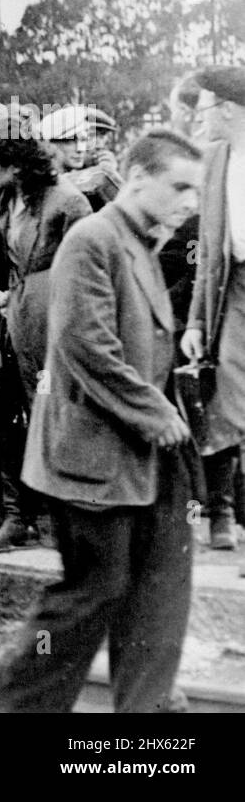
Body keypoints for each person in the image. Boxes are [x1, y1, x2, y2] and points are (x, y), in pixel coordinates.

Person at [0, 131, 204, 713]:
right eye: (179, 186)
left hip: (134, 457)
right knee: (87, 597)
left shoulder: (139, 244)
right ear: (136, 178)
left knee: (154, 591)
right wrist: (153, 412)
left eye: (196, 191)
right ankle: (12, 706)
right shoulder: (93, 238)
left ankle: (147, 712)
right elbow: (85, 343)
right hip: (92, 456)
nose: (190, 202)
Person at [0, 118, 92, 548]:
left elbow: (90, 273)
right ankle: (17, 518)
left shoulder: (68, 203)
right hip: (16, 319)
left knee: (54, 416)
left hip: (57, 322)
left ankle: (63, 519)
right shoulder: (2, 199)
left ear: (13, 162)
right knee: (7, 415)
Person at [181, 65, 245, 551]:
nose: (196, 120)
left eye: (202, 110)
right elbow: (206, 249)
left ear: (227, 109)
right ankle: (219, 512)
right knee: (222, 397)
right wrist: (198, 322)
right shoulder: (215, 160)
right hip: (235, 288)